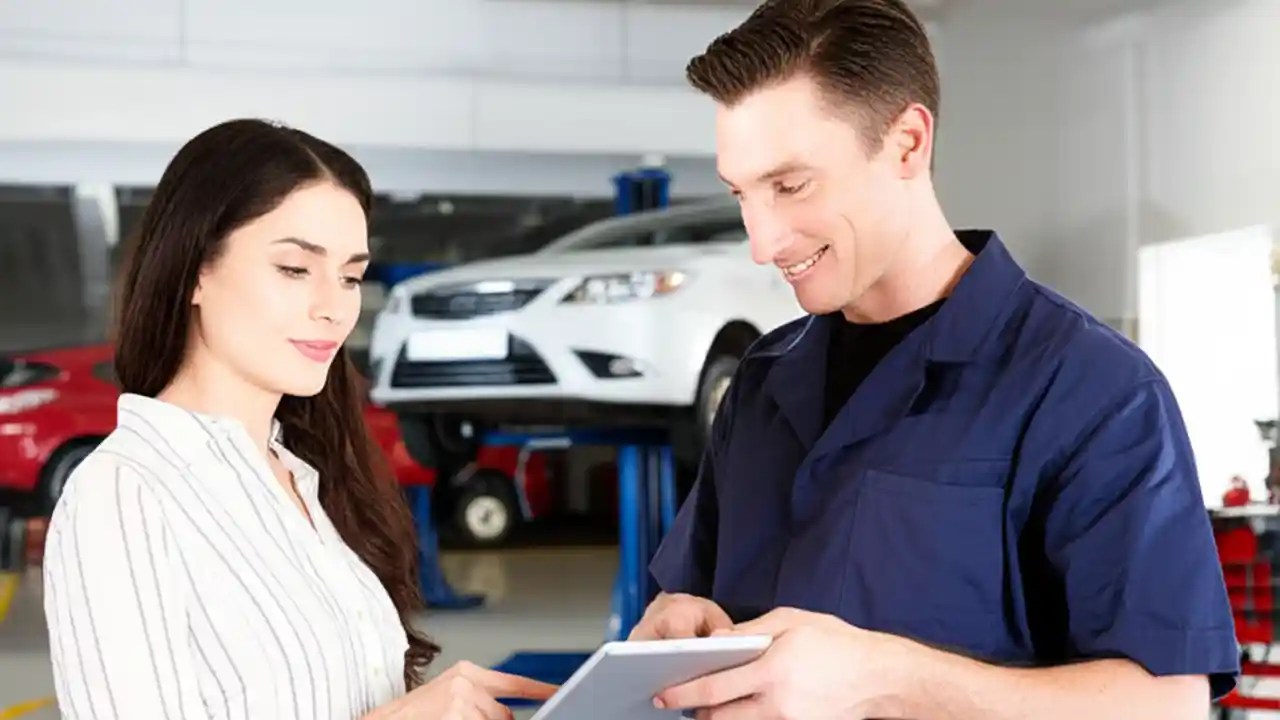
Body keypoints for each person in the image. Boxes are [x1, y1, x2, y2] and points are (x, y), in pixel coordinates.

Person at [633, 1, 1240, 718]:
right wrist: (670, 628)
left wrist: (888, 679)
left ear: (907, 144)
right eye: (743, 195)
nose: (762, 242)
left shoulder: (1092, 389)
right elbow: (689, 599)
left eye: (791, 186)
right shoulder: (763, 380)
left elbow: (1166, 705)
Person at [41, 119, 555, 719]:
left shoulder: (307, 483)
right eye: (294, 269)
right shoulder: (125, 493)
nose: (333, 308)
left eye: (350, 277)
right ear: (195, 271)